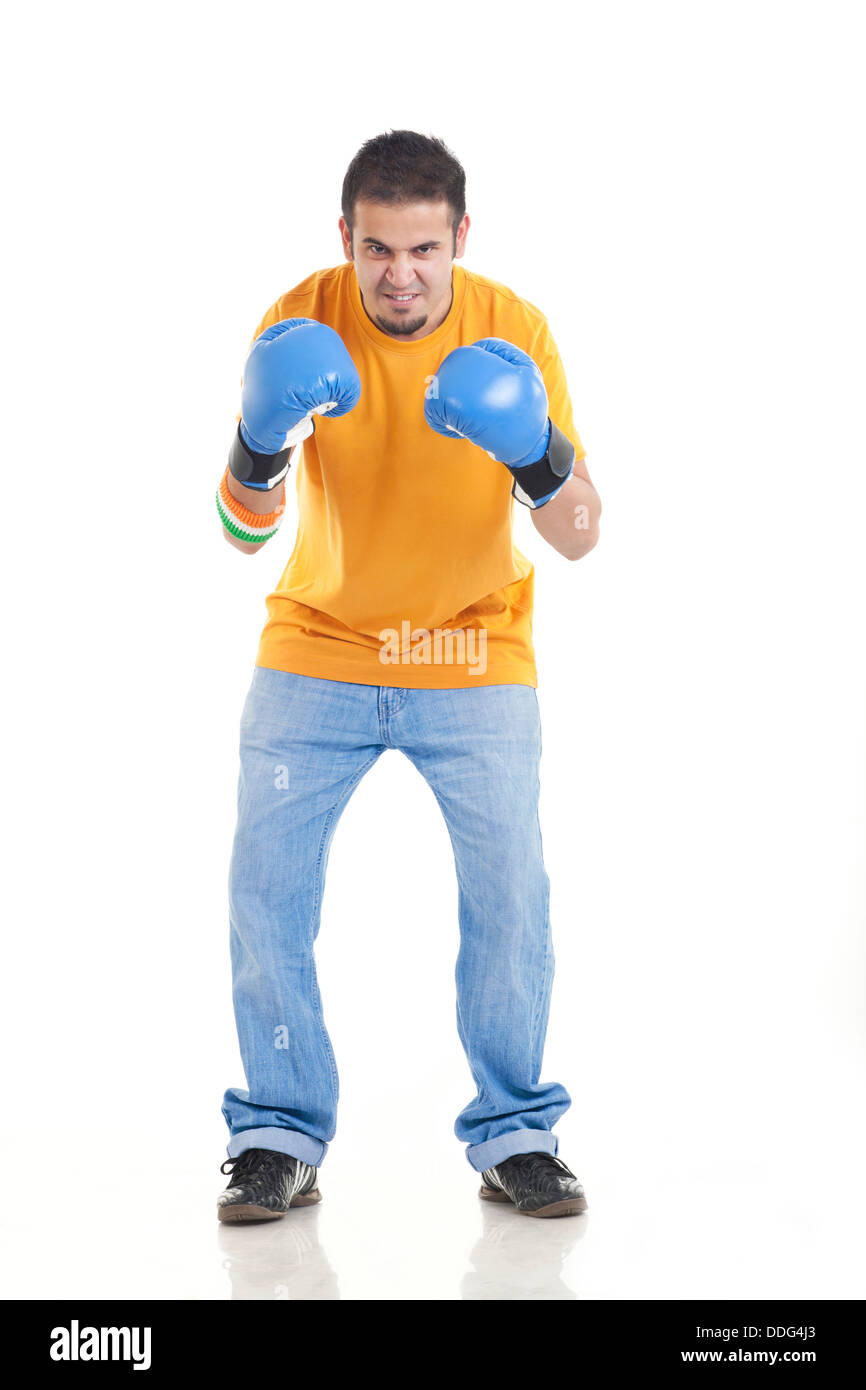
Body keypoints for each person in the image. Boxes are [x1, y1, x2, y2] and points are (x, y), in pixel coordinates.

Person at [215, 130, 601, 1223]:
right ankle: (276, 1135)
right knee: (265, 892)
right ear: (346, 238)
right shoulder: (299, 316)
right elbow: (242, 531)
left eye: (422, 248)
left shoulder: (512, 329)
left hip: (470, 650)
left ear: (459, 239)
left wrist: (530, 451)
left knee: (510, 897)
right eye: (376, 248)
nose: (398, 274)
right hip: (320, 648)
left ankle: (516, 1133)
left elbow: (578, 534)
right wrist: (256, 442)